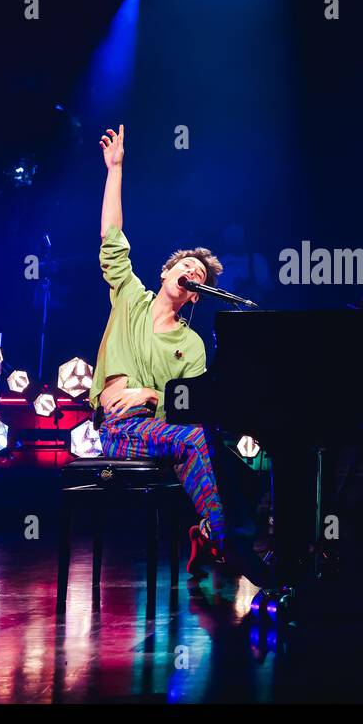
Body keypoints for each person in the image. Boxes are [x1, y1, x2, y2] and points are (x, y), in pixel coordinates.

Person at [90, 125, 268, 584]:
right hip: (116, 430)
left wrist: (150, 393)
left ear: (195, 295)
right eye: (185, 266)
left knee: (209, 444)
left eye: (198, 273)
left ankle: (219, 535)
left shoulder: (191, 345)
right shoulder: (130, 297)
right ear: (167, 272)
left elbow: (191, 408)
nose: (191, 271)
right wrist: (116, 169)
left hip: (164, 432)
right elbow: (113, 236)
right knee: (197, 444)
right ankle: (230, 542)